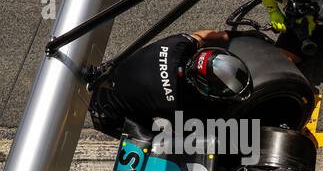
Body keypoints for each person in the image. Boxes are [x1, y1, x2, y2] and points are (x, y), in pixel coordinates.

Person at [88, 31, 251, 140]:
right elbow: (193, 133)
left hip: (117, 75)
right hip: (107, 111)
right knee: (171, 144)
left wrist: (233, 35)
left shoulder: (179, 44)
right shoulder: (175, 103)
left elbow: (202, 36)